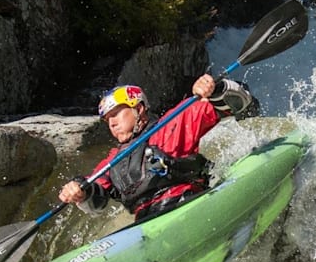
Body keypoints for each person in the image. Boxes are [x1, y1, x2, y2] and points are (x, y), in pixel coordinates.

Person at [59, 73, 260, 221]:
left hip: (186, 204)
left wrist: (214, 89)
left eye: (116, 114)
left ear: (139, 109)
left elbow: (245, 106)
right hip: (147, 222)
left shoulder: (171, 125)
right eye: (107, 119)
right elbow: (97, 199)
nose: (111, 123)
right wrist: (80, 191)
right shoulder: (112, 161)